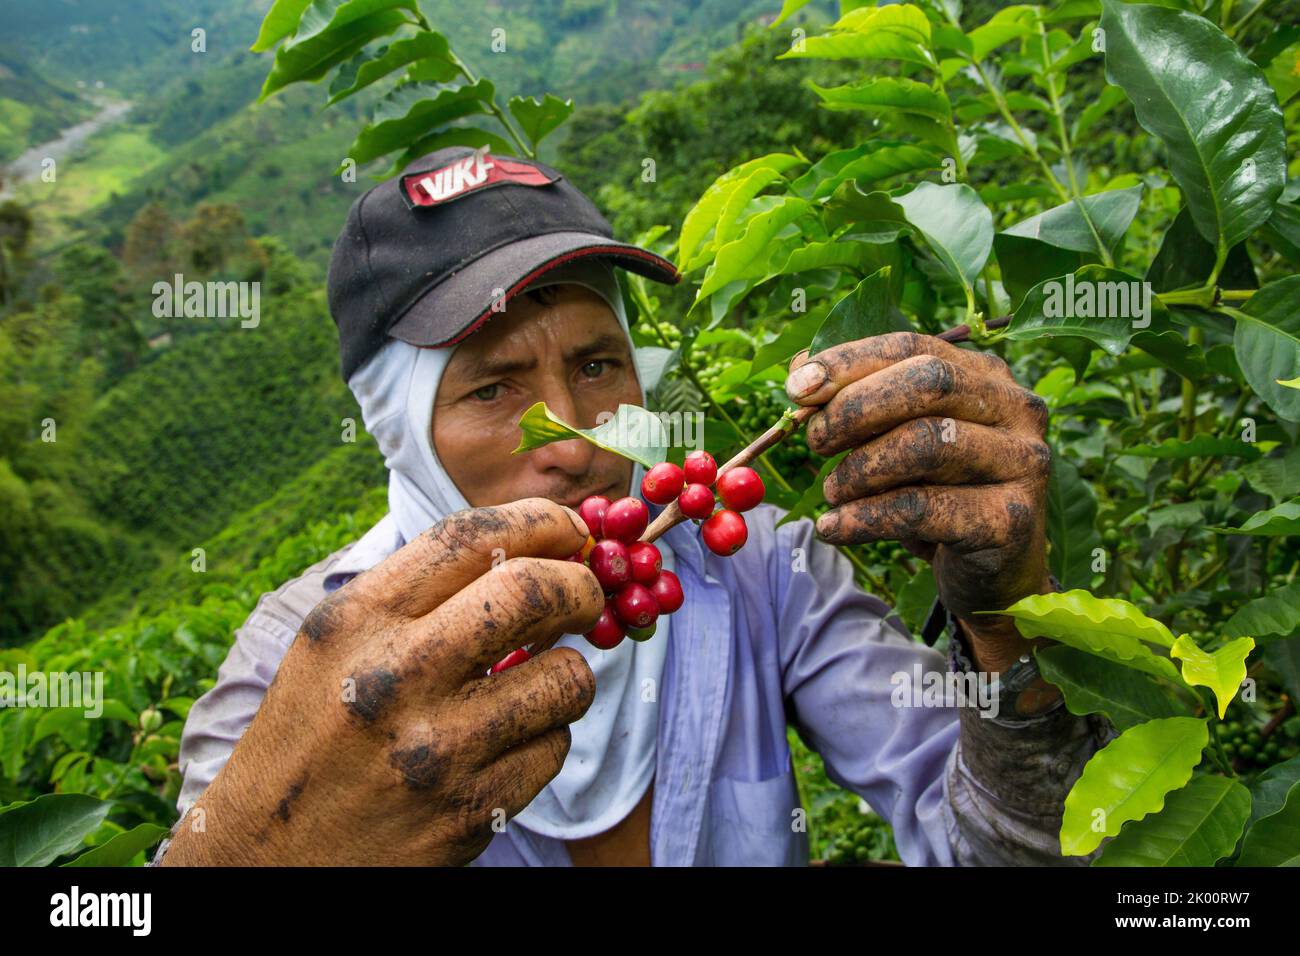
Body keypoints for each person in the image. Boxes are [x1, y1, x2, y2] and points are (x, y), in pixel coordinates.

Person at [156, 146, 1111, 867]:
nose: (573, 442)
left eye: (597, 364)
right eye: (492, 389)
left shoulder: (757, 568)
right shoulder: (303, 667)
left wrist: (1003, 628)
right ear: (400, 428)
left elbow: (1003, 846)